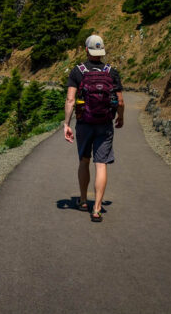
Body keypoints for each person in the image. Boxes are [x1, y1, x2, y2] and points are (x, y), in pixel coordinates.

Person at [63, 35, 124, 222]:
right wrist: (121, 117)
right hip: (105, 124)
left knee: (84, 161)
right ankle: (97, 209)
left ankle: (82, 200)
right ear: (102, 51)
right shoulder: (111, 72)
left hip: (84, 123)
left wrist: (67, 123)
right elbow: (120, 100)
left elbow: (70, 100)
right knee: (101, 164)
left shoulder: (77, 71)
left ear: (86, 50)